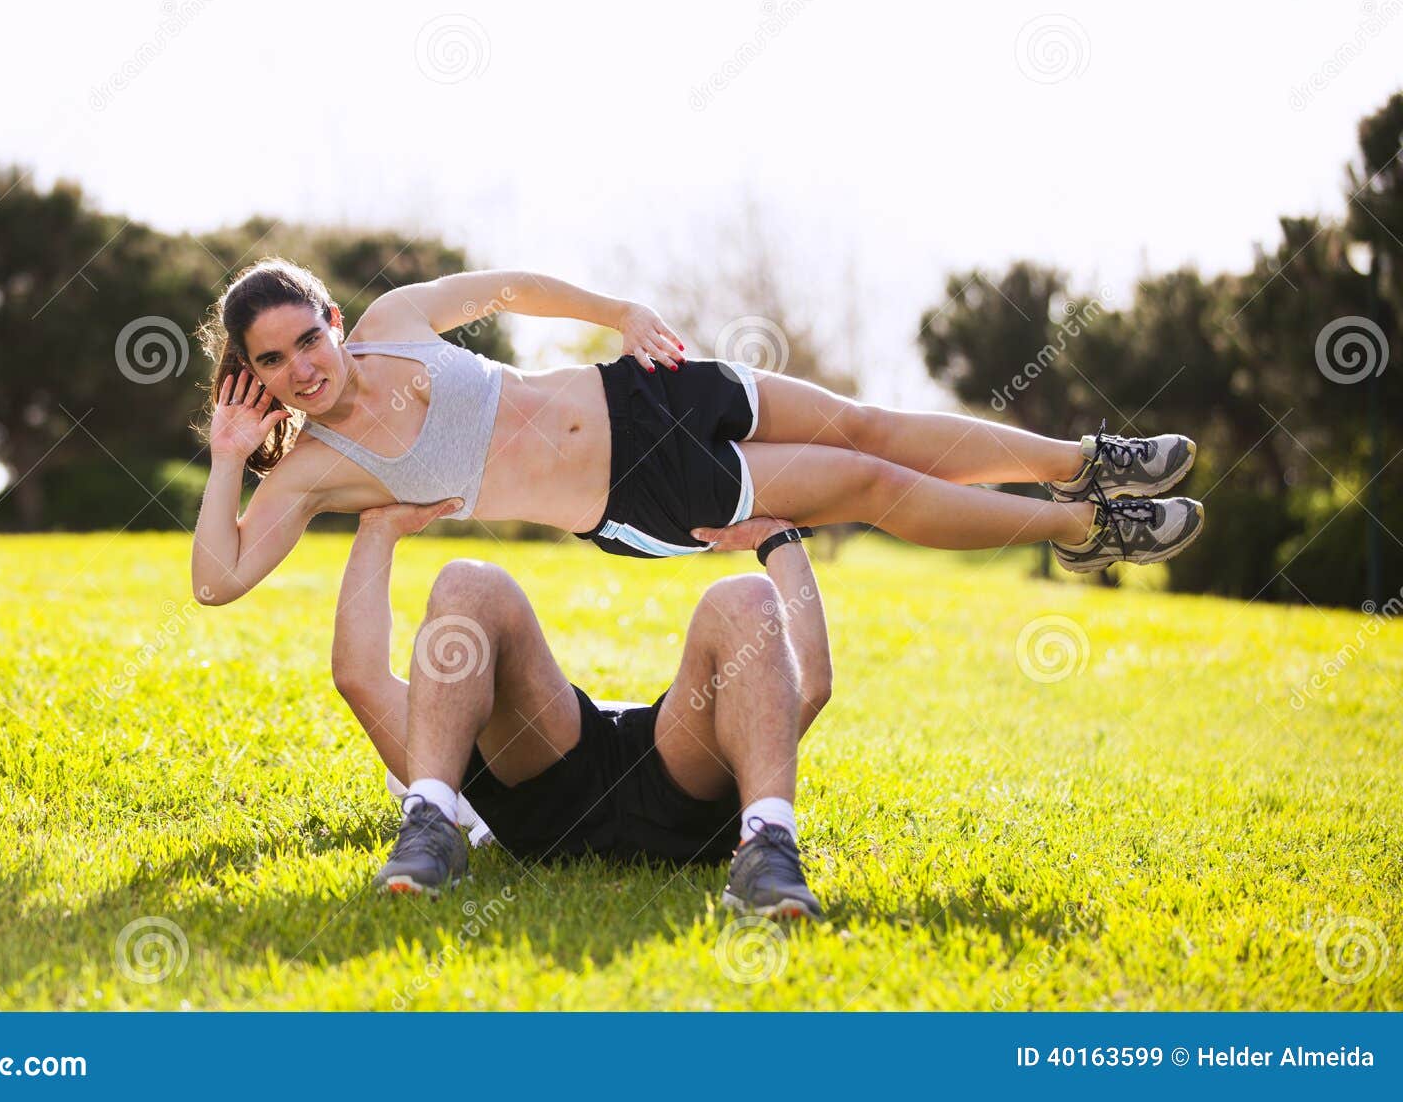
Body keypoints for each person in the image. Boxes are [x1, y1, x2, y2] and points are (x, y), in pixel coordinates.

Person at [192, 259, 1203, 604]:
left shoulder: (394, 321)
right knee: (867, 485)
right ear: (256, 376)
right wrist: (232, 461)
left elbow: (507, 286)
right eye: (272, 361)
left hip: (643, 389)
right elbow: (218, 580)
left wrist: (623, 312)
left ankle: (1085, 460)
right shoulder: (321, 470)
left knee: (866, 421)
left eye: (304, 336)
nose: (302, 367)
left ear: (330, 317)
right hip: (640, 494)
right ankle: (1080, 529)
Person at [329, 498, 834, 919]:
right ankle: (429, 826)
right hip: (543, 788)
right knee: (468, 582)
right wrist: (379, 527)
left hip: (676, 774)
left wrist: (776, 539)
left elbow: (805, 684)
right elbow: (360, 677)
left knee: (746, 597)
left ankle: (768, 843)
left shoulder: (444, 737)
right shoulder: (443, 745)